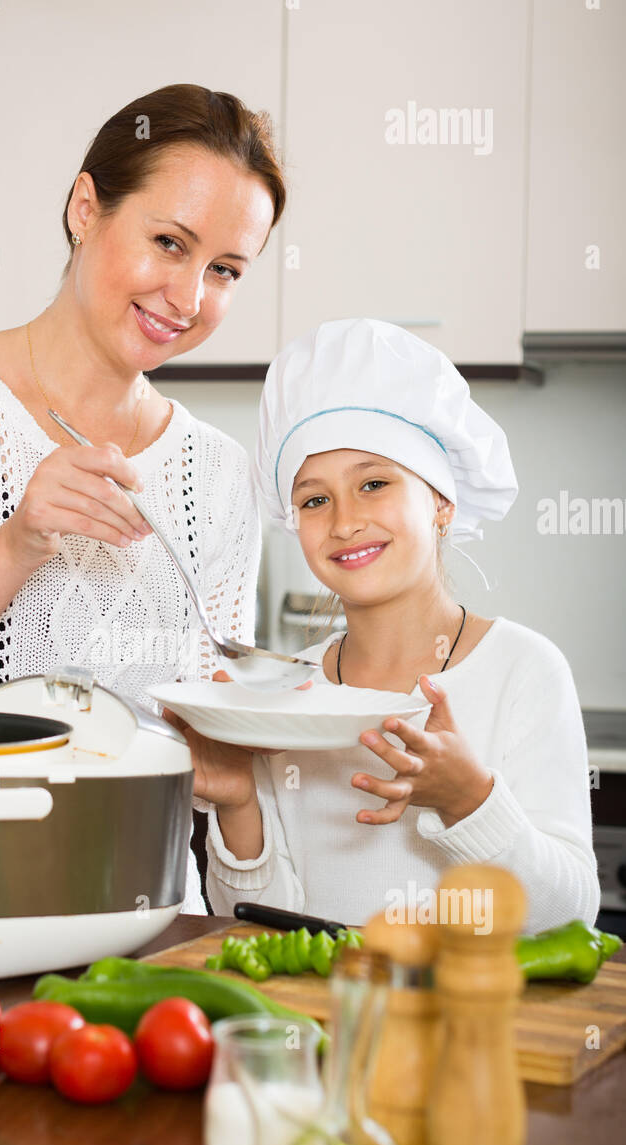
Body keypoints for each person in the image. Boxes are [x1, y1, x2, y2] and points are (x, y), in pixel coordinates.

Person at [0, 85, 285, 914]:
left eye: (224, 270)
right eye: (168, 243)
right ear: (86, 207)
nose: (186, 299)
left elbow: (216, 755)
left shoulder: (217, 476)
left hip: (139, 919)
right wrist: (17, 541)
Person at [173, 318, 600, 932]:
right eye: (314, 500)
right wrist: (238, 802)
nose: (344, 522)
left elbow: (568, 918)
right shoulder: (280, 694)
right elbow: (268, 928)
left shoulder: (525, 672)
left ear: (442, 502)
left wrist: (468, 801)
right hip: (325, 1024)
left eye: (374, 483)